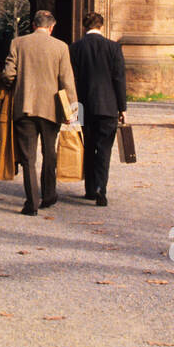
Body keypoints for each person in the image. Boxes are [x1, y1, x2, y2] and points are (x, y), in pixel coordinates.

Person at [3, 9, 77, 216]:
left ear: (33, 25)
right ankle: (49, 194)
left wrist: (12, 85)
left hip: (24, 106)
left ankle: (32, 202)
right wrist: (72, 109)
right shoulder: (61, 47)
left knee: (28, 157)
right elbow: (67, 81)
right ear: (51, 27)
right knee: (49, 152)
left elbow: (9, 74)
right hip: (51, 108)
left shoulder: (18, 43)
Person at [69, 12, 127, 207]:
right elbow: (119, 79)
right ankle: (102, 188)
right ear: (101, 26)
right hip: (108, 106)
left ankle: (90, 189)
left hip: (83, 106)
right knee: (104, 149)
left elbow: (72, 79)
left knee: (88, 146)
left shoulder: (75, 48)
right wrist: (122, 107)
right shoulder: (113, 47)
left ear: (84, 26)